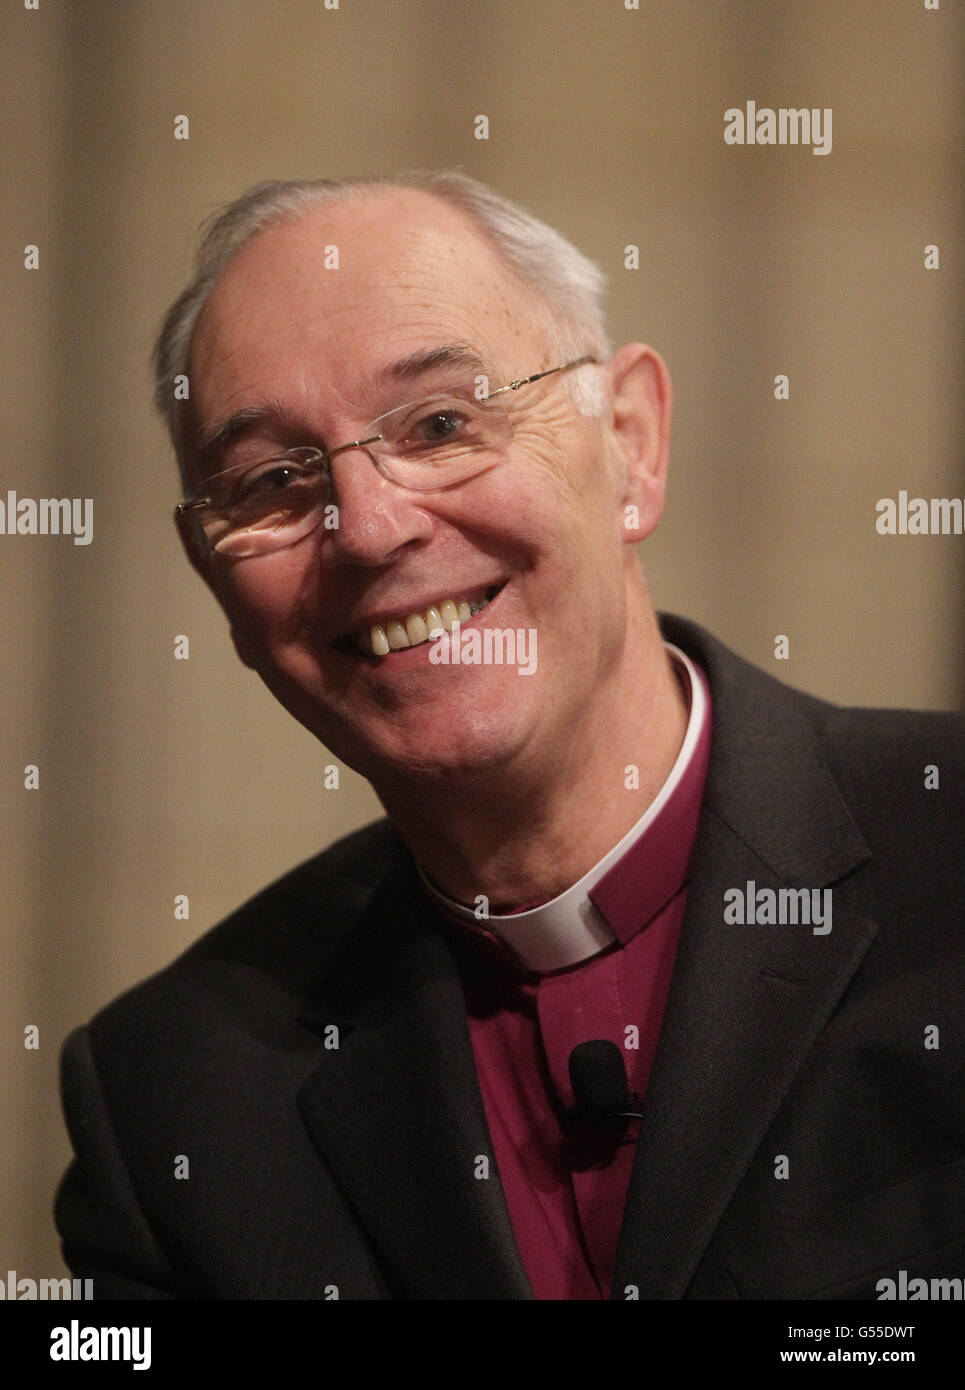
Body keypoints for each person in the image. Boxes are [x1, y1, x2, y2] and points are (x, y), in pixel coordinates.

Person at [55, 171, 965, 1300]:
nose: (371, 528)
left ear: (627, 443)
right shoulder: (172, 1098)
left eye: (440, 424)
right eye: (273, 482)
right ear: (214, 578)